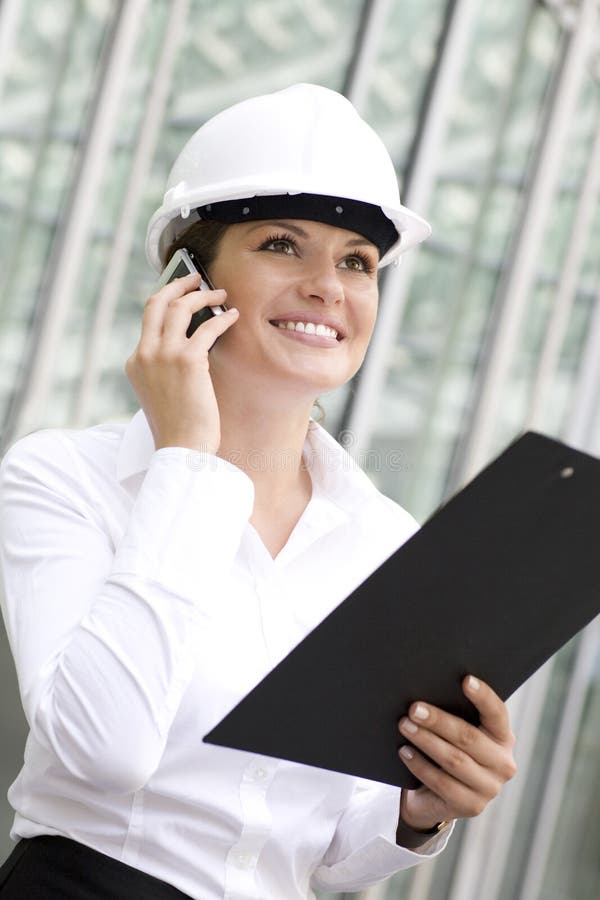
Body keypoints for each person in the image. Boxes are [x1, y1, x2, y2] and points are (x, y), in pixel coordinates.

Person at [0, 84, 516, 900]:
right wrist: (187, 462)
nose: (328, 286)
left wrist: (421, 806)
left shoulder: (385, 541)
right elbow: (106, 753)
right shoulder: (63, 476)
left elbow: (327, 852)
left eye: (357, 261)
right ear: (188, 281)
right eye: (283, 245)